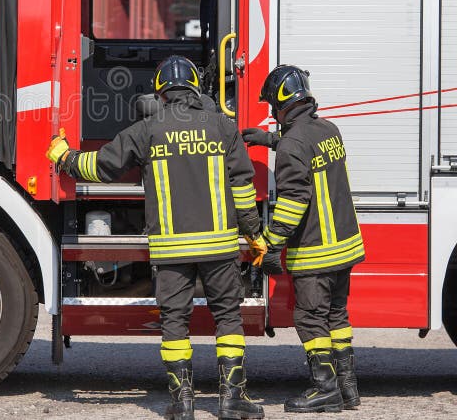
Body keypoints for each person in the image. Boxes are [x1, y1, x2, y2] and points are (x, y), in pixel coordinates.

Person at [47, 55, 265, 420]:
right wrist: (253, 233)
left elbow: (102, 165)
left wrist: (64, 157)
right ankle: (232, 400)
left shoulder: (147, 129)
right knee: (228, 317)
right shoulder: (222, 126)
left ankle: (182, 404)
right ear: (196, 88)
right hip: (219, 247)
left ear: (160, 93)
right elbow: (242, 186)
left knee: (174, 321)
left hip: (170, 249)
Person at [243, 65, 364, 413]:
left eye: (271, 106)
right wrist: (271, 140)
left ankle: (324, 388)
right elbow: (307, 149)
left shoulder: (293, 144)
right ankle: (348, 389)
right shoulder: (329, 129)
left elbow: (294, 202)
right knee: (336, 316)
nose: (270, 113)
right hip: (345, 246)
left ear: (282, 102)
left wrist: (269, 243)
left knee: (310, 319)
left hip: (317, 251)